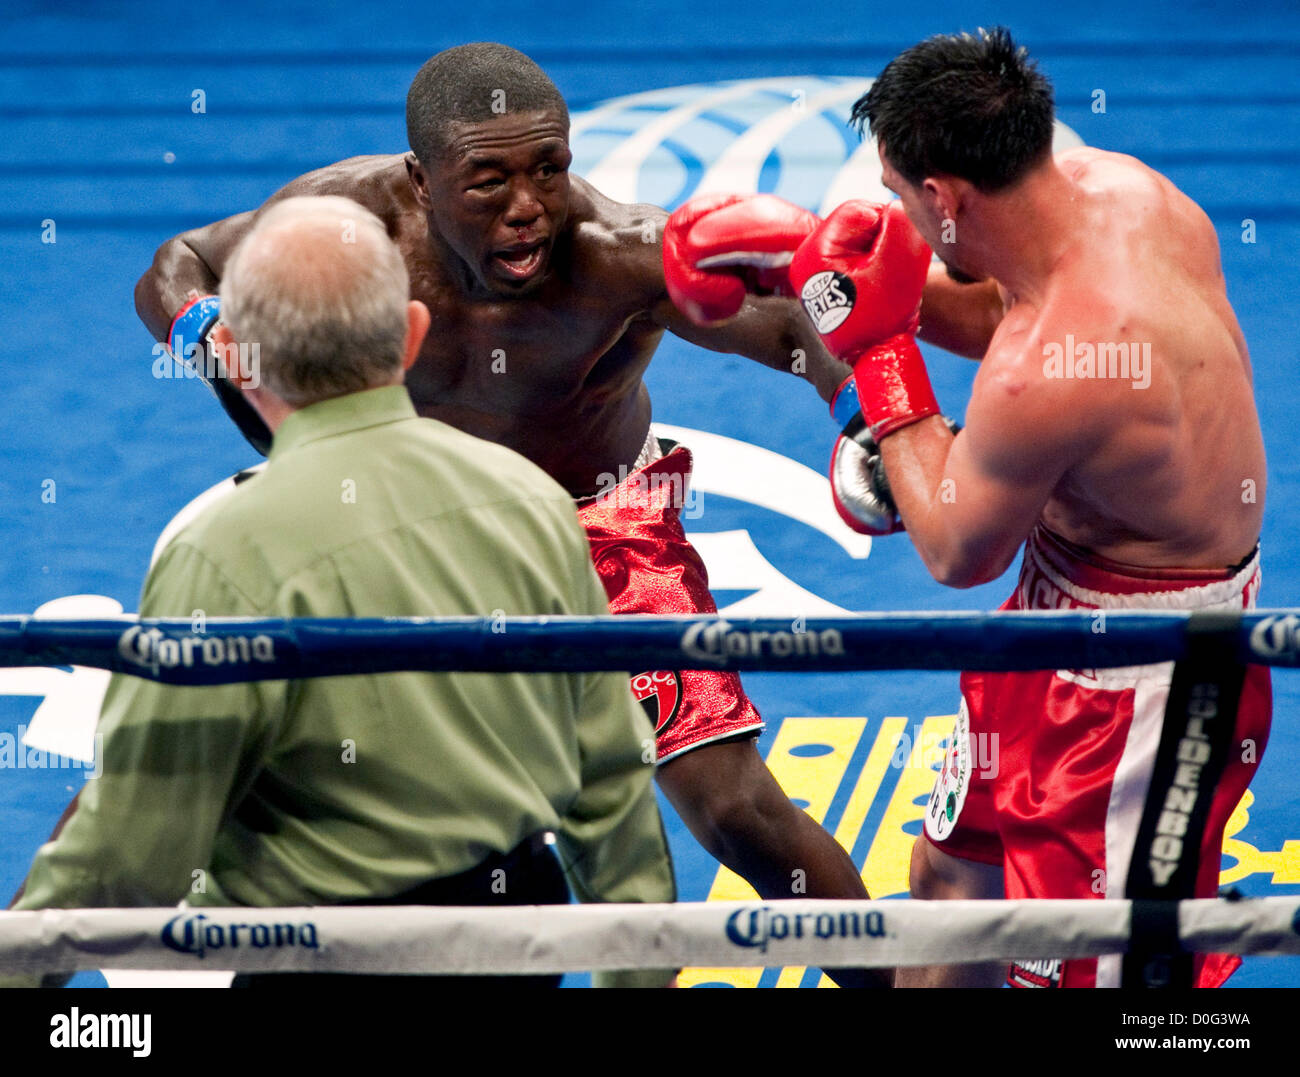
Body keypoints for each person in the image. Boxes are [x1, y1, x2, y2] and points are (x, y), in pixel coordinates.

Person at [134, 42, 887, 988]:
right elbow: (180, 262)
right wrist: (217, 343)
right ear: (421, 180)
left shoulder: (618, 255)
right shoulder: (349, 220)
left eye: (549, 169)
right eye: (488, 181)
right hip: (410, 533)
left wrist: (864, 416)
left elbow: (786, 321)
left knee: (734, 809)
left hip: (600, 527)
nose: (529, 205)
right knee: (352, 805)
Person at [661, 27, 1271, 989]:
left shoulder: (1050, 370)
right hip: (1054, 613)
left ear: (942, 196)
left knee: (1091, 982)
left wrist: (880, 354)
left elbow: (953, 545)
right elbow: (994, 307)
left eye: (903, 194)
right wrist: (816, 279)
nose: (899, 211)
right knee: (950, 884)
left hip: (1142, 688)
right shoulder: (1121, 191)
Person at [7, 196, 676, 989]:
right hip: (513, 945)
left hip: (325, 958)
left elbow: (135, 853)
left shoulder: (223, 551)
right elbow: (607, 767)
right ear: (413, 336)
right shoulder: (527, 500)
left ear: (237, 359)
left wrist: (19, 967)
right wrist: (637, 972)